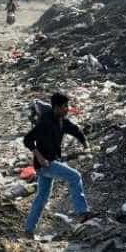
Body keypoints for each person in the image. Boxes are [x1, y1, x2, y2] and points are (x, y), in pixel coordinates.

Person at [22, 91, 95, 237]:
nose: (67, 109)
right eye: (65, 106)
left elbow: (75, 130)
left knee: (42, 198)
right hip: (45, 164)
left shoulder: (61, 120)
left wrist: (85, 143)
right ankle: (83, 212)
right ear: (56, 107)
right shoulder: (45, 122)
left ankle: (28, 230)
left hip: (51, 162)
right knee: (75, 176)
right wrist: (39, 157)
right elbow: (27, 139)